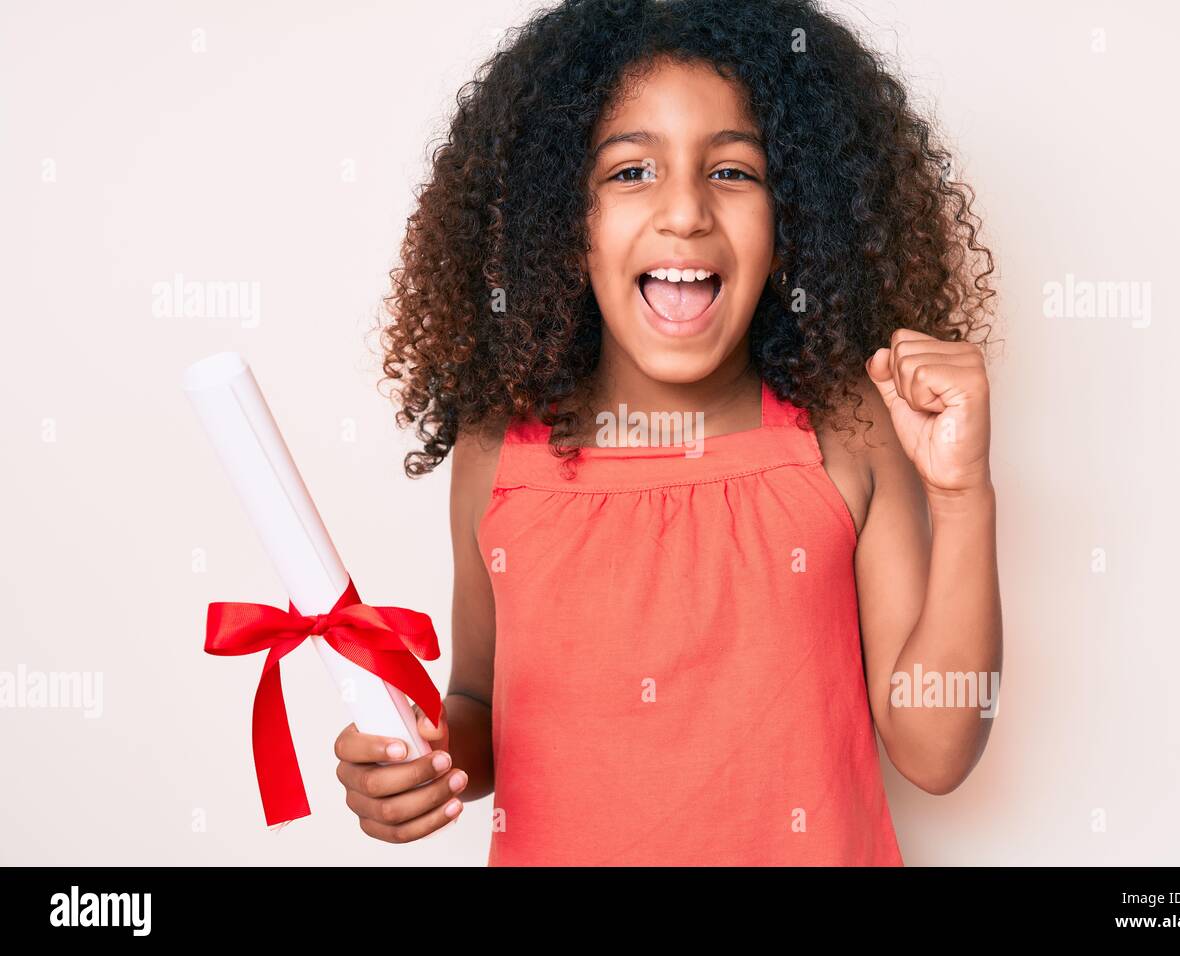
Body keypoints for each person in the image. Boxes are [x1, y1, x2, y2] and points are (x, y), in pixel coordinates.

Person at [334, 0, 1002, 865]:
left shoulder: (845, 433)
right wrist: (422, 762)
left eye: (732, 172)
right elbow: (480, 704)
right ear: (561, 227)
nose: (684, 212)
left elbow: (936, 752)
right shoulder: (497, 452)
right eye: (629, 173)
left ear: (795, 221)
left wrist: (961, 495)